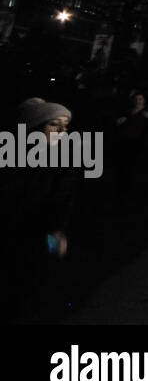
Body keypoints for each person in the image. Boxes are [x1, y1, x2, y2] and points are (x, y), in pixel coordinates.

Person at [0, 99, 80, 322]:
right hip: (11, 233)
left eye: (66, 125)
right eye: (55, 124)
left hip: (37, 234)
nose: (63, 131)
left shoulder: (64, 159)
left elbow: (63, 199)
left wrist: (56, 231)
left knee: (33, 285)